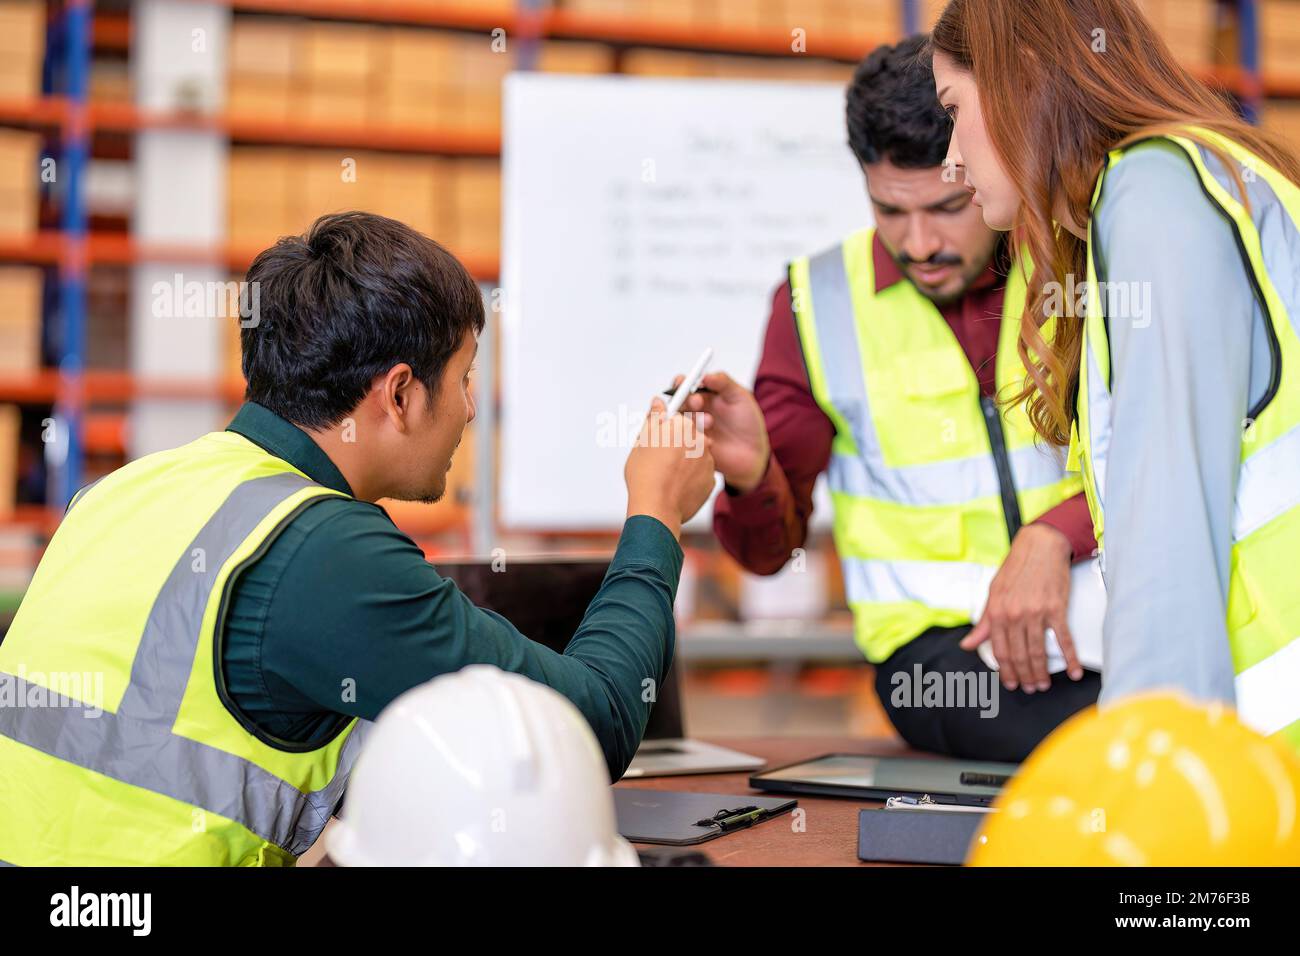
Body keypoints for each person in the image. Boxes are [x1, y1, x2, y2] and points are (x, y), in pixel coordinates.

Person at [0, 212, 716, 866]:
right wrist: (656, 513)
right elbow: (596, 726)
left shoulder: (124, 490)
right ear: (400, 395)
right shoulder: (321, 551)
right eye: (464, 378)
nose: (469, 409)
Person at [689, 36, 1101, 762]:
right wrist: (752, 476)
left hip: (1099, 614)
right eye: (889, 211)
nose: (919, 244)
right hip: (939, 657)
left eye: (948, 207)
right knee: (1109, 742)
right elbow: (767, 554)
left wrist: (1053, 535)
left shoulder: (1075, 263)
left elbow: (1159, 441)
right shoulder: (812, 306)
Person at [929, 0, 1300, 752]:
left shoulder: (1156, 190)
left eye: (952, 109)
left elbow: (1171, 532)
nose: (951, 161)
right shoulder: (1196, 182)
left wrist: (1153, 776)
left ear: (1021, 76)